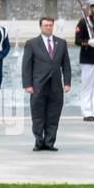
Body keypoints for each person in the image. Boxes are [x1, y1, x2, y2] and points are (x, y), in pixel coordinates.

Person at [21, 15, 72, 150]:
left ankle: (50, 142)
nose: (48, 27)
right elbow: (26, 66)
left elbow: (66, 65)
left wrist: (67, 82)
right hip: (38, 85)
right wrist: (27, 84)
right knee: (38, 115)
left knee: (53, 115)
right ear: (41, 26)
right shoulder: (32, 43)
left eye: (50, 25)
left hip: (55, 85)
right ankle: (39, 141)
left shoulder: (61, 43)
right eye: (46, 25)